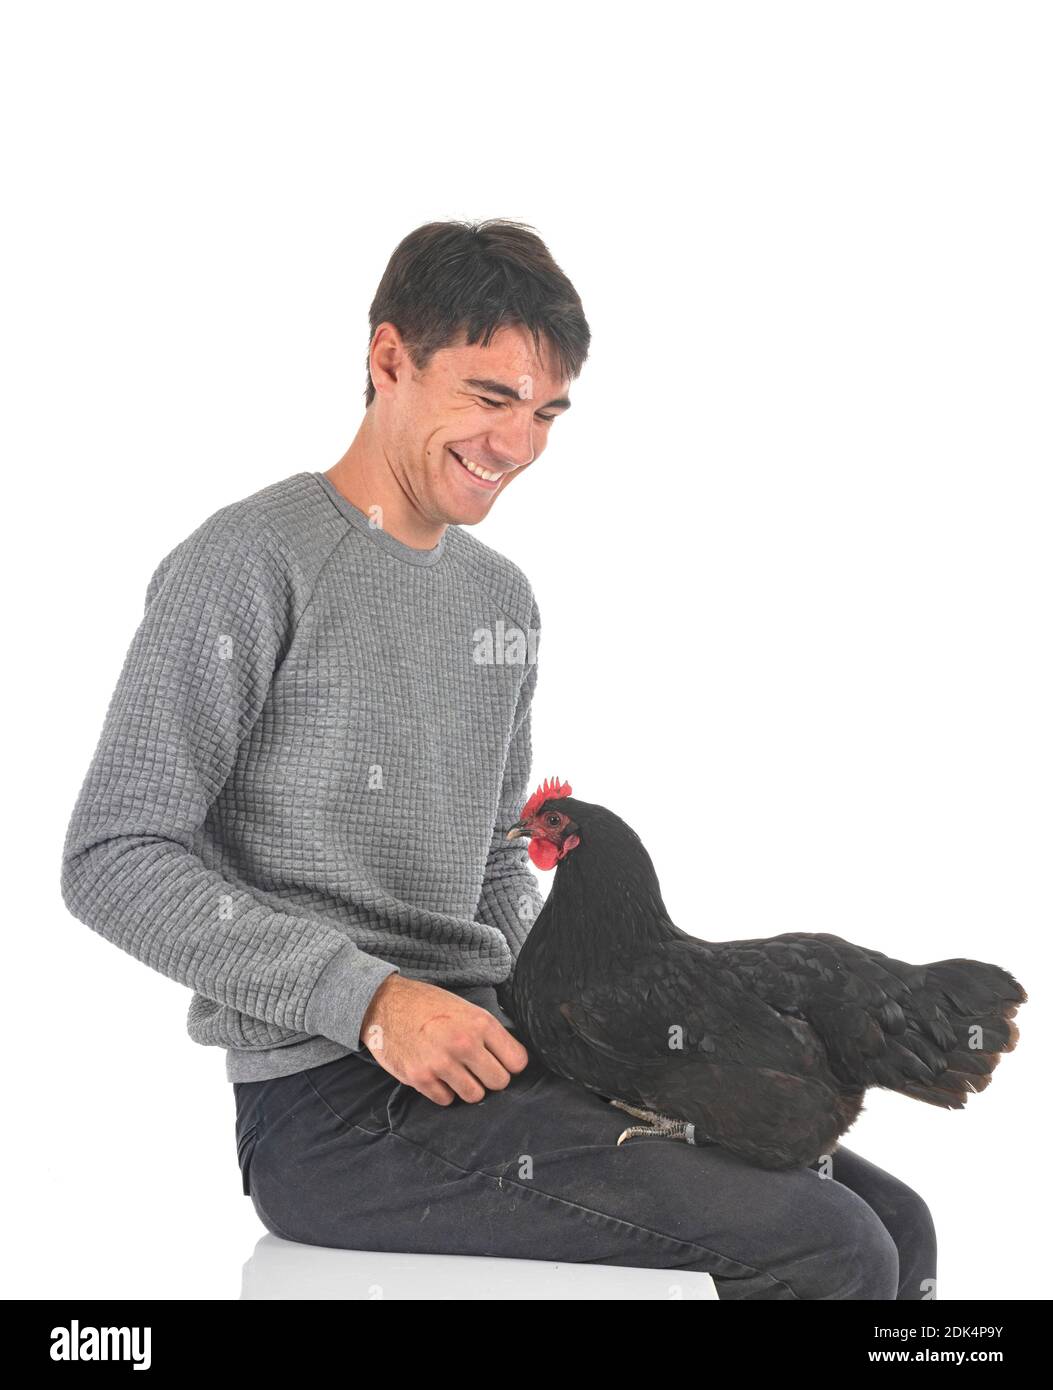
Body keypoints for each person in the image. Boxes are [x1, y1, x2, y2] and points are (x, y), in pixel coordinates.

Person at [61, 218, 936, 1299]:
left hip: (511, 1056)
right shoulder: (246, 563)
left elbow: (490, 867)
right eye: (489, 397)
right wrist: (373, 998)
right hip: (336, 1109)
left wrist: (592, 1019)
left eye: (546, 412)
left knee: (899, 1221)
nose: (518, 444)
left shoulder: (498, 601)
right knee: (829, 1244)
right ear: (390, 360)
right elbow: (114, 852)